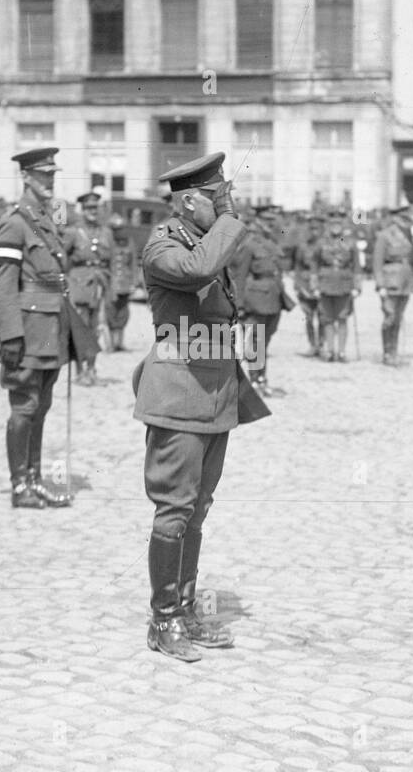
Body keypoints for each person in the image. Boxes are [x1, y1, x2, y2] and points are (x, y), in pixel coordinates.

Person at [132, 151, 269, 662]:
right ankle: (163, 620)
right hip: (177, 391)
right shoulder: (163, 248)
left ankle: (185, 611)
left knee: (196, 510)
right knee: (173, 511)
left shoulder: (198, 238)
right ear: (189, 201)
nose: (226, 207)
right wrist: (230, 217)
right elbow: (201, 269)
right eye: (216, 198)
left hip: (213, 389)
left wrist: (225, 213)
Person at [0, 146, 97, 509]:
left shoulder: (46, 222)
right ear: (26, 178)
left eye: (52, 174)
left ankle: (34, 480)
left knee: (41, 406)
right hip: (27, 332)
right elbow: (2, 287)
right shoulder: (15, 223)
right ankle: (20, 486)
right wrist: (11, 336)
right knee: (24, 406)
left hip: (50, 329)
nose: (49, 180)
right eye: (42, 175)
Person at [229, 203, 293, 396]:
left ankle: (260, 380)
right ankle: (255, 381)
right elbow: (239, 276)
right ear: (257, 220)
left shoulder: (271, 243)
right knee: (254, 342)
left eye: (272, 221)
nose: (270, 224)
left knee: (263, 343)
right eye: (266, 220)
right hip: (255, 301)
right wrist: (239, 305)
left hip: (273, 299)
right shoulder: (249, 244)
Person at [62, 191, 113, 386]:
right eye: (89, 208)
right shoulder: (73, 232)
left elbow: (110, 260)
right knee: (79, 328)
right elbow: (62, 258)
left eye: (95, 208)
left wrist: (110, 288)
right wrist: (67, 282)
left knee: (95, 330)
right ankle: (80, 371)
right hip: (79, 285)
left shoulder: (106, 232)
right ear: (82, 210)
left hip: (99, 285)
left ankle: (92, 370)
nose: (93, 212)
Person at [313, 205, 361, 362]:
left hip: (344, 285)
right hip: (325, 285)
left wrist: (357, 286)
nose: (336, 226)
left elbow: (356, 267)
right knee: (327, 319)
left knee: (342, 318)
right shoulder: (320, 243)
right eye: (332, 223)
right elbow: (314, 265)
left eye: (338, 223)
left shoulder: (351, 243)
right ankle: (330, 351)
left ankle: (341, 352)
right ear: (328, 225)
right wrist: (314, 286)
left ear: (343, 224)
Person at [373, 201, 413, 366]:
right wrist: (380, 284)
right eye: (402, 217)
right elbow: (377, 262)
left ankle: (394, 352)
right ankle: (386, 353)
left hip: (404, 282)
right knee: (389, 317)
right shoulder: (384, 235)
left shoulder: (408, 234)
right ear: (394, 218)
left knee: (398, 318)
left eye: (407, 217)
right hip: (389, 281)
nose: (405, 220)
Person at [291, 211, 323, 356]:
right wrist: (297, 285)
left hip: (322, 284)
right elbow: (297, 266)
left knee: (323, 316)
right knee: (309, 317)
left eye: (317, 229)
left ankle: (321, 345)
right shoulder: (302, 247)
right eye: (312, 229)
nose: (314, 232)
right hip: (305, 285)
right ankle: (312, 344)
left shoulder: (326, 246)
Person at [105, 212, 137, 351]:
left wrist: (134, 282)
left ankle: (120, 343)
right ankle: (111, 344)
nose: (117, 232)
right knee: (110, 314)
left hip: (125, 283)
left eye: (119, 229)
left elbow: (133, 263)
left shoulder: (129, 241)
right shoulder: (105, 243)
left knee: (123, 314)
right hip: (110, 284)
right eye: (114, 229)